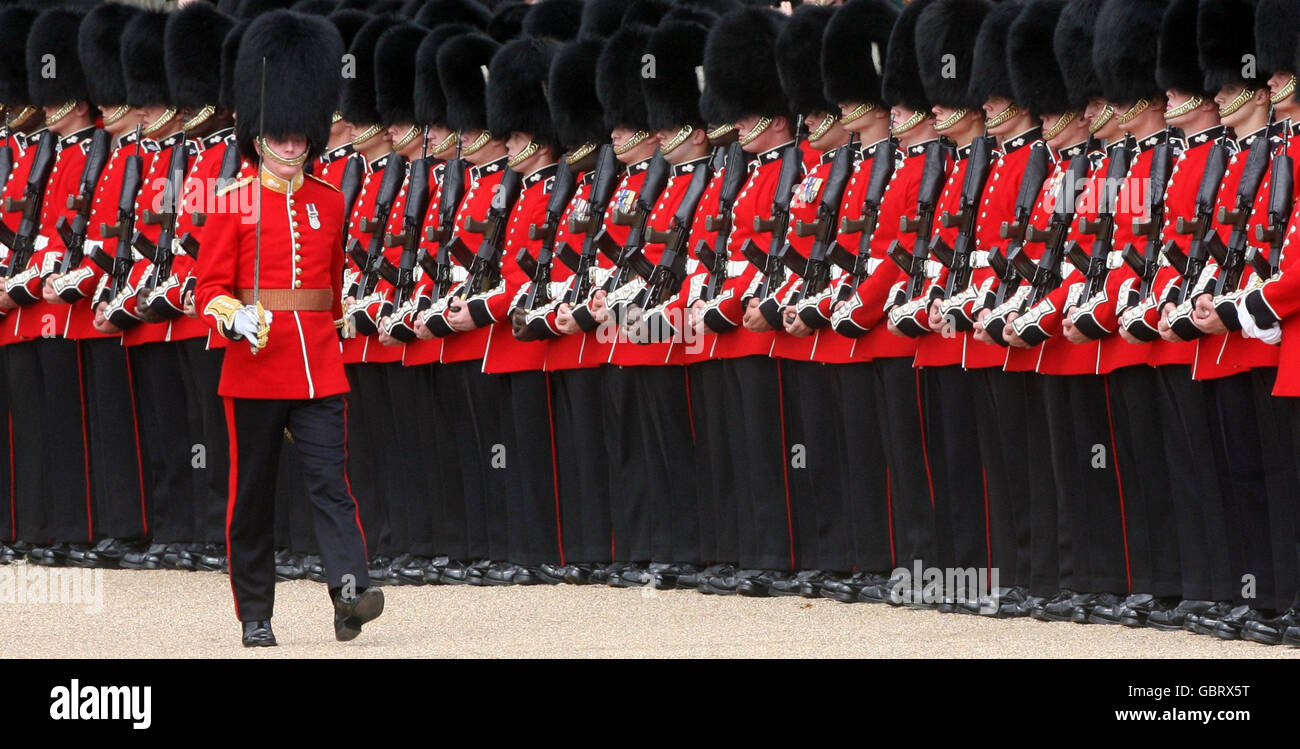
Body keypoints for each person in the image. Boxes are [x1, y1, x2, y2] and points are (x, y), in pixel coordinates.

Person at [194, 8, 381, 648]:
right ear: (258, 130)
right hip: (253, 366)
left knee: (332, 484)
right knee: (252, 499)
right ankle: (255, 614)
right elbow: (208, 290)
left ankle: (349, 594)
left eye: (303, 133)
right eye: (283, 132)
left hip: (319, 364)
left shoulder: (330, 199)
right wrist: (235, 315)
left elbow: (329, 288)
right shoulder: (231, 199)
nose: (294, 142)